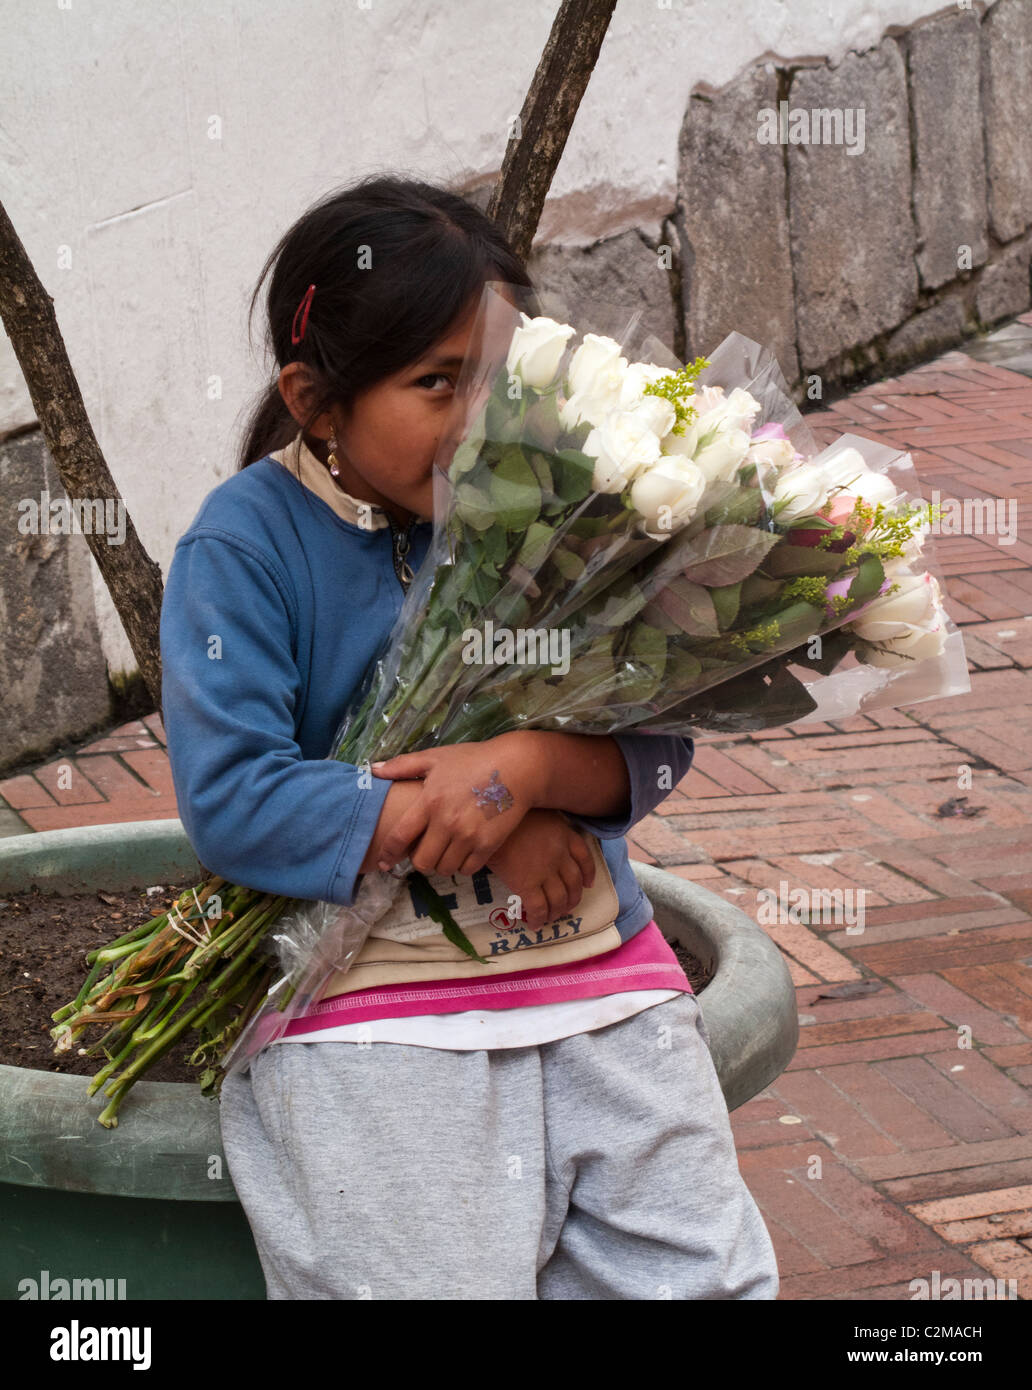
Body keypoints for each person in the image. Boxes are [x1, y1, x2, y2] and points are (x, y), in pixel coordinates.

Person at [159, 172, 780, 1301]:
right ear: (314, 398)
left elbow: (654, 740)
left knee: (707, 1280)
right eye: (438, 384)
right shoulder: (245, 546)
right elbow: (237, 796)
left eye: (501, 379)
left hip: (595, 970)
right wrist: (483, 825)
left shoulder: (554, 509)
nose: (479, 419)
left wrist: (531, 769)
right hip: (375, 997)